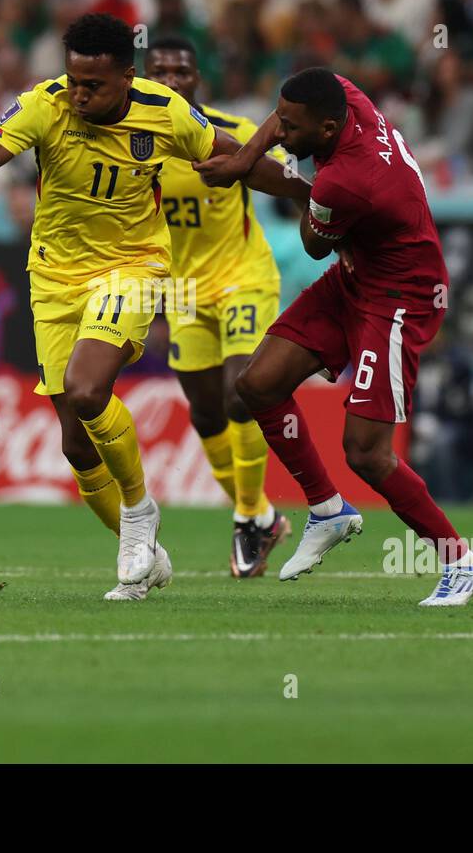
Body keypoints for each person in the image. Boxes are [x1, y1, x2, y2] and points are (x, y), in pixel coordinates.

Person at [0, 13, 305, 599]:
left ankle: (144, 511)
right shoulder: (45, 104)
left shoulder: (163, 111)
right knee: (74, 441)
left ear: (127, 78)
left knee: (89, 390)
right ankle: (146, 556)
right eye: (74, 80)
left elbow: (241, 159)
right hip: (54, 277)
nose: (79, 94)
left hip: (132, 267)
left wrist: (315, 195)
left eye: (94, 85)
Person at [197, 67, 473, 608]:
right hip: (356, 276)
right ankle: (328, 510)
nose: (279, 132)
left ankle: (461, 562)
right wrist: (243, 160)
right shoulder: (343, 97)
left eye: (291, 127)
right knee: (257, 385)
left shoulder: (344, 183)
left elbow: (312, 242)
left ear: (329, 129)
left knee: (366, 454)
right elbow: (301, 107)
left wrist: (271, 176)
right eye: (278, 119)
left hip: (401, 295)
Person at [143, 34, 290, 578]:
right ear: (143, 78)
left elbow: (288, 182)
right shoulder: (131, 146)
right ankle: (262, 516)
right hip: (182, 292)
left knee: (240, 395)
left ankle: (249, 517)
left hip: (242, 279)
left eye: (181, 71)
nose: (171, 80)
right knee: (205, 412)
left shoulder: (233, 135)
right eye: (159, 71)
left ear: (196, 78)